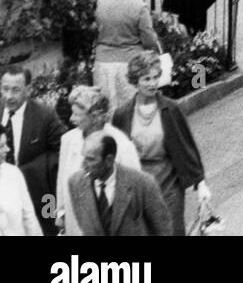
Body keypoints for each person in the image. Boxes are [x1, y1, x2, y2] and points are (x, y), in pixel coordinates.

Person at [112, 51, 211, 236]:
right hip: (137, 187)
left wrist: (201, 184)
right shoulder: (122, 114)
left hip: (168, 184)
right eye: (146, 78)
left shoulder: (170, 109)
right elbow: (115, 154)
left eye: (156, 77)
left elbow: (186, 147)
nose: (152, 83)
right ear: (135, 81)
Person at [56, 86, 141, 234]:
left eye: (77, 114)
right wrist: (60, 213)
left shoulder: (122, 146)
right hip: (76, 226)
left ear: (94, 117)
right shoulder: (68, 140)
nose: (71, 119)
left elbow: (137, 193)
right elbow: (61, 182)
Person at [66, 132, 171, 237]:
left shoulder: (142, 183)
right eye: (84, 157)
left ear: (109, 160)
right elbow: (84, 224)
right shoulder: (76, 183)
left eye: (91, 159)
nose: (83, 165)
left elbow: (162, 227)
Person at [1, 64, 65, 236]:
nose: (9, 96)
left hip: (43, 191)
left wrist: (32, 171)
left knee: (49, 228)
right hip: (4, 195)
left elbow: (61, 151)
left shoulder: (45, 115)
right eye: (5, 89)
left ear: (28, 90)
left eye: (16, 90)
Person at [93, 0, 162, 112]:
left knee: (106, 111)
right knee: (130, 112)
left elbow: (96, 30)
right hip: (129, 64)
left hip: (102, 63)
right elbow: (149, 39)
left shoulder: (100, 3)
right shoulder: (139, 7)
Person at [0, 126, 40, 236]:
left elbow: (29, 217)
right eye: (1, 146)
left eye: (6, 144)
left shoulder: (13, 173)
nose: (7, 149)